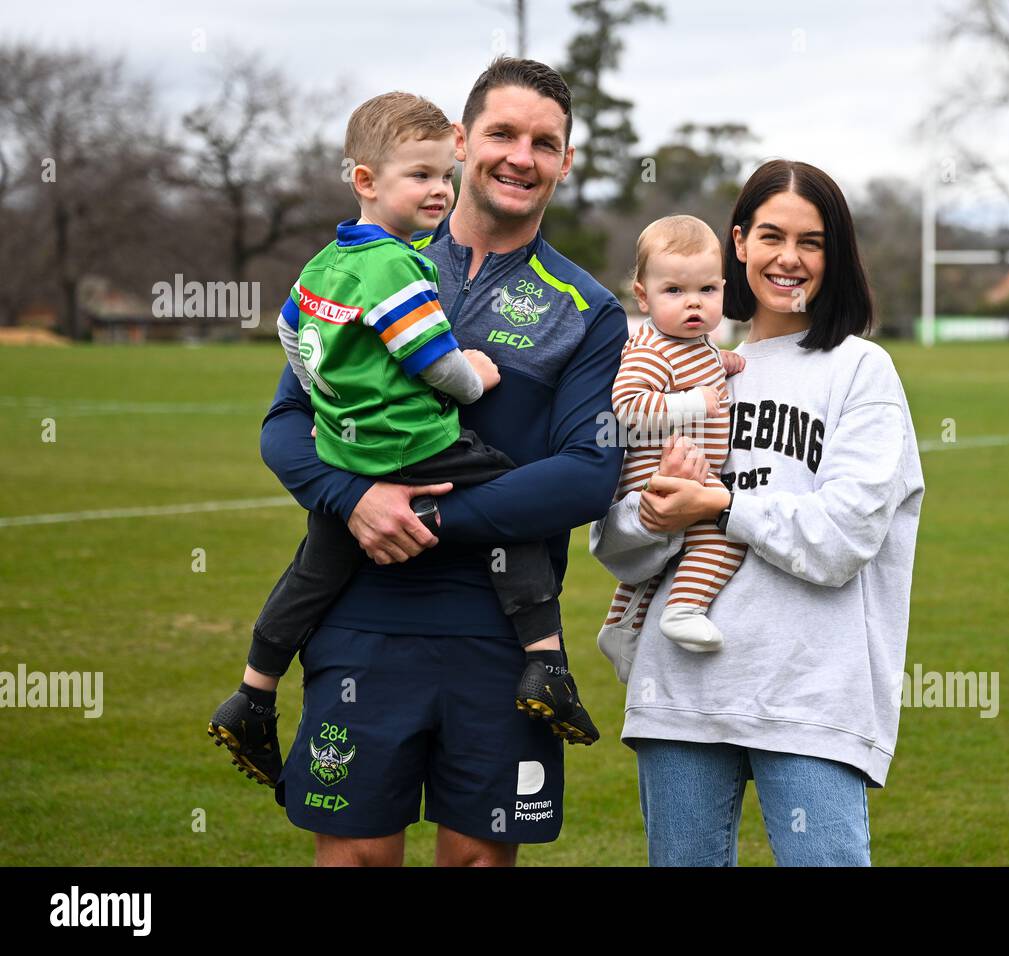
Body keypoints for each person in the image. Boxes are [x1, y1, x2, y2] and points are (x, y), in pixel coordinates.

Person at [256, 58, 627, 866]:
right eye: (502, 133)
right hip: (360, 614)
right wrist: (353, 501)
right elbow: (285, 422)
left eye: (545, 143)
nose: (521, 157)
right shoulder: (368, 266)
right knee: (355, 858)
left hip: (500, 632)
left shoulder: (588, 311)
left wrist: (423, 516)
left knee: (476, 861)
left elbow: (589, 473)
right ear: (462, 142)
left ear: (565, 163)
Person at [590, 159, 925, 866]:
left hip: (810, 698)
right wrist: (655, 519)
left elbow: (842, 540)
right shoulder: (688, 366)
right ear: (738, 242)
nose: (790, 259)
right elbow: (614, 545)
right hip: (679, 690)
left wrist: (720, 501)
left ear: (835, 257)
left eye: (813, 242)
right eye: (772, 236)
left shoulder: (860, 371)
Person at [599, 214, 747, 658]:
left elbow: (698, 363)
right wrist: (692, 403)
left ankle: (620, 628)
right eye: (675, 291)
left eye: (707, 290)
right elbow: (628, 407)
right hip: (662, 475)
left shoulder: (692, 343)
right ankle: (684, 609)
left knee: (661, 564)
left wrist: (724, 362)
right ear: (643, 297)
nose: (693, 304)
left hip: (688, 472)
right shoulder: (649, 350)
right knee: (723, 538)